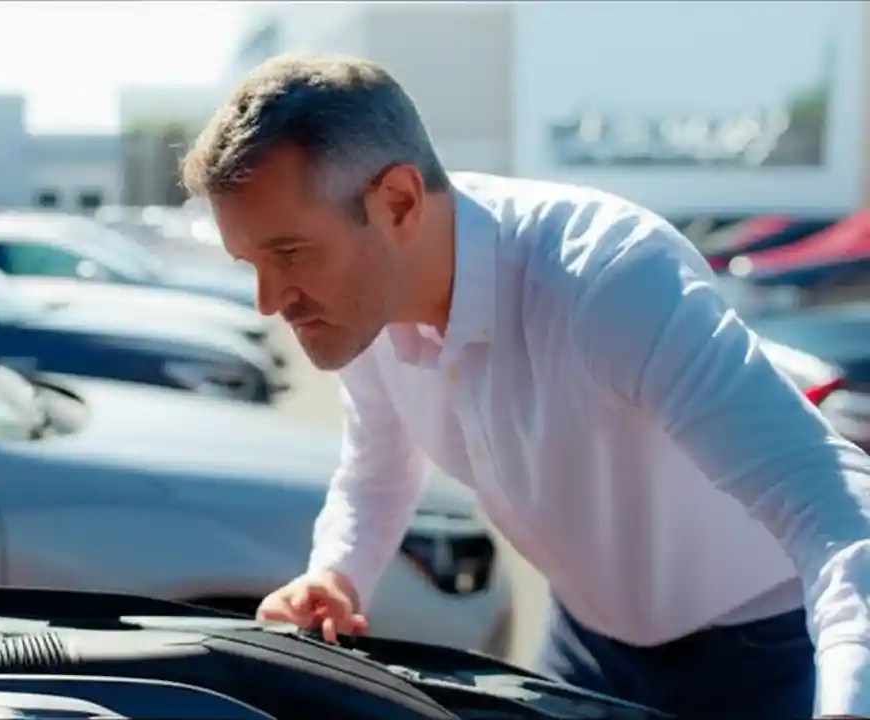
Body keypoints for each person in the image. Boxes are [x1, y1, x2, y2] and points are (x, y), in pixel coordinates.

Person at [179, 52, 870, 719]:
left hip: (771, 659)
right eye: (251, 263)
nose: (270, 301)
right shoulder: (363, 302)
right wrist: (336, 573)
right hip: (585, 644)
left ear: (397, 202)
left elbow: (839, 510)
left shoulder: (609, 280)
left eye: (291, 253)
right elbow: (376, 471)